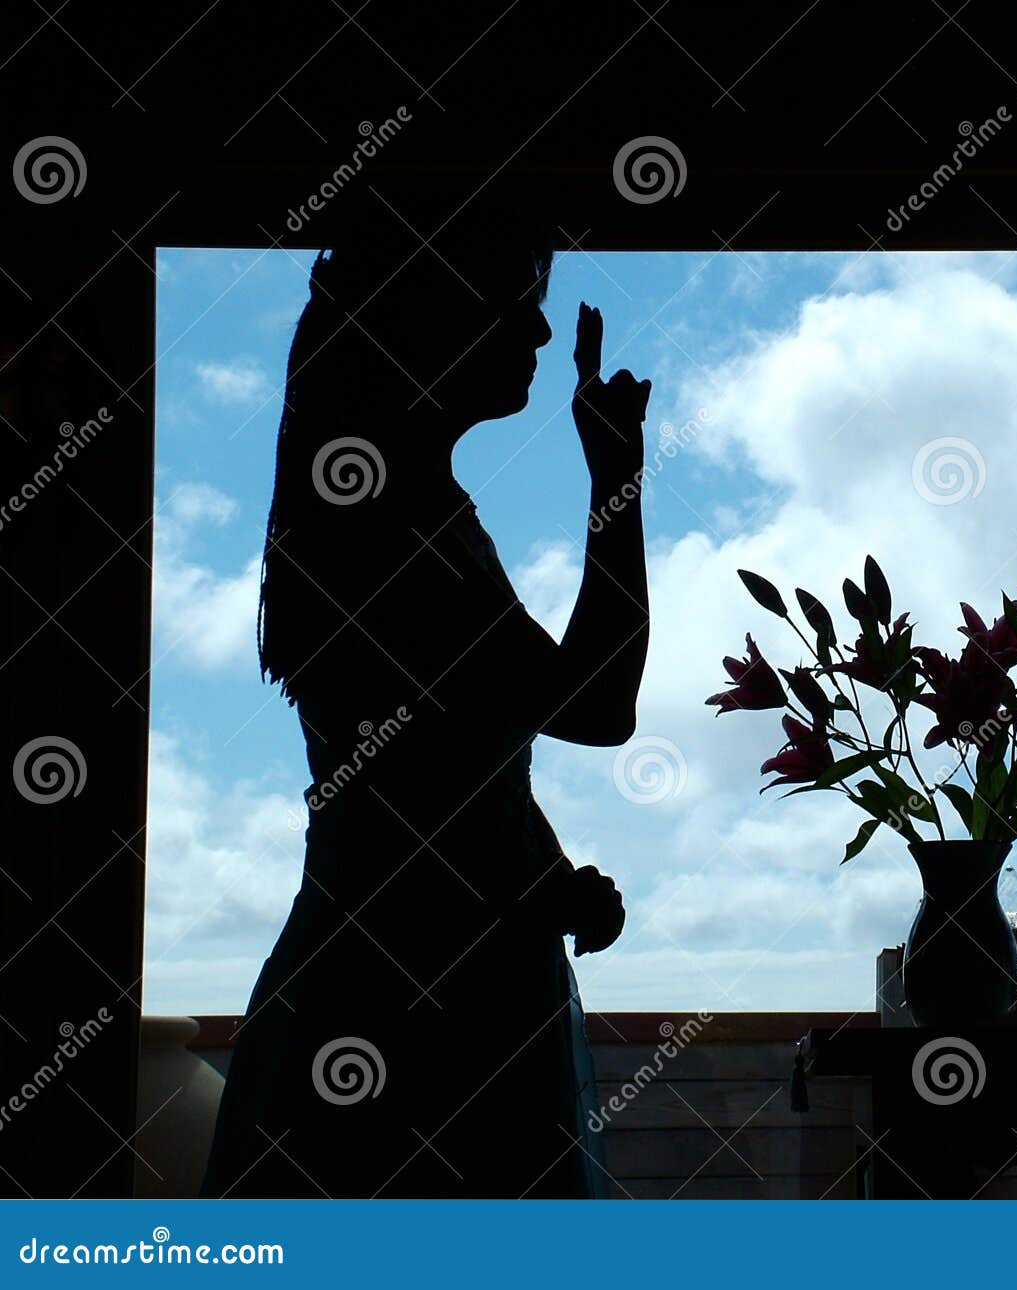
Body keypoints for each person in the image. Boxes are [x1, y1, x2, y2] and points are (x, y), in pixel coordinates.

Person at [203, 211, 649, 1198]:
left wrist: (546, 874)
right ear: (430, 320)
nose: (537, 334)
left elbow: (458, 764)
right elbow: (593, 707)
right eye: (516, 306)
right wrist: (616, 481)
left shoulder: (405, 508)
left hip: (409, 996)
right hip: (421, 1018)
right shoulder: (390, 527)